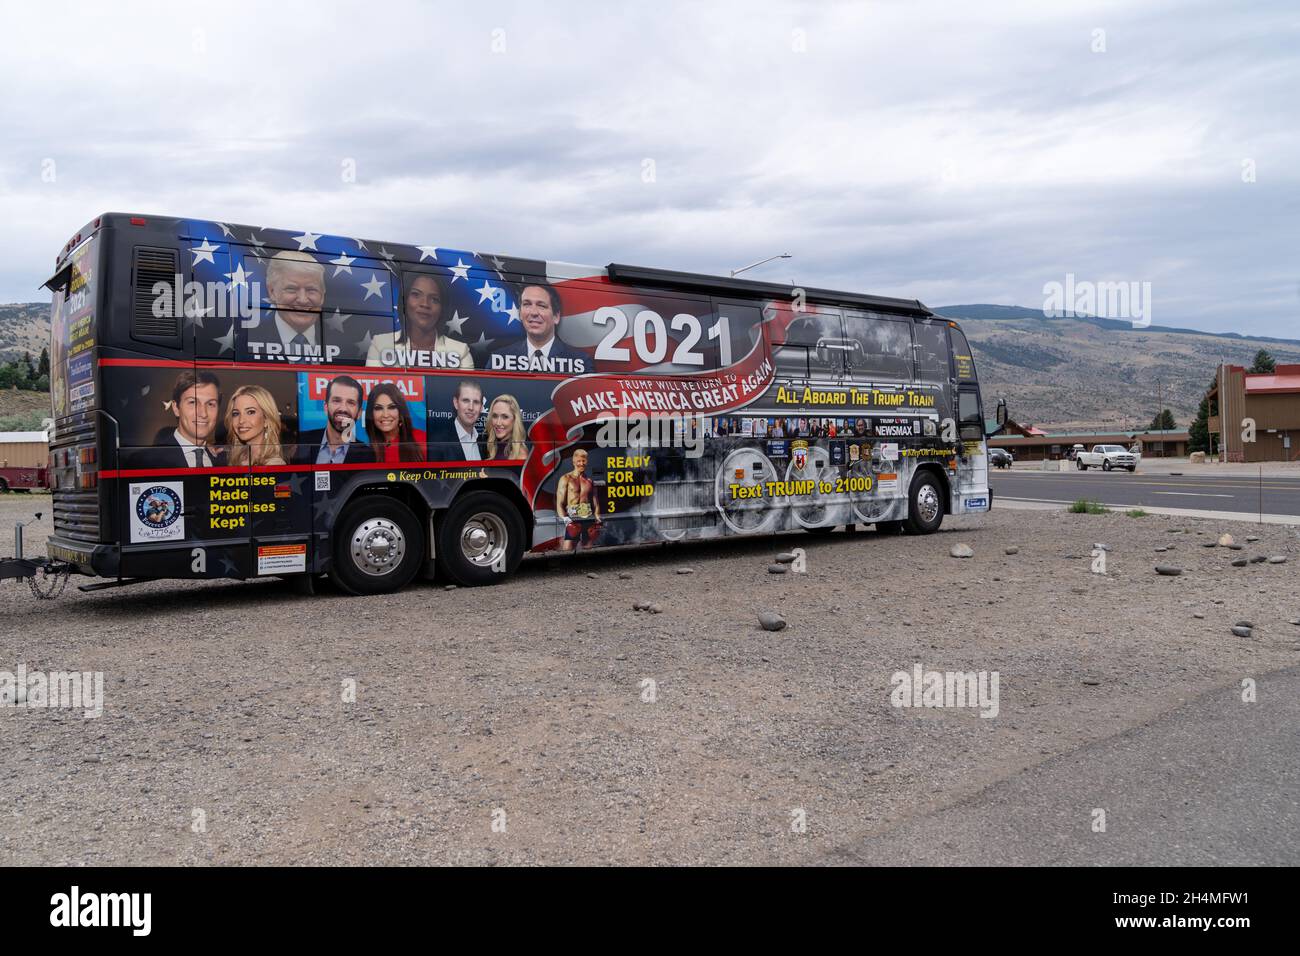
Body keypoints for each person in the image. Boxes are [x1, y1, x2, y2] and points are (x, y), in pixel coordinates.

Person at [366, 270, 472, 369]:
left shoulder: (460, 351)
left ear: (442, 309)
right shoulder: (380, 344)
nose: (425, 304)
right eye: (416, 295)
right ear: (404, 301)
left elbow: (468, 388)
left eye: (434, 299)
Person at [129, 370, 226, 468]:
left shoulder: (225, 461)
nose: (203, 413)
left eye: (210, 404)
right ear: (176, 408)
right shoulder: (144, 461)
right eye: (192, 402)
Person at [245, 251, 328, 362]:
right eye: (291, 289)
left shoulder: (346, 342)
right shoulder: (247, 340)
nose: (302, 300)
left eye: (311, 290)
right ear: (272, 292)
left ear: (322, 295)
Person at [490, 282, 587, 374]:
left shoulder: (581, 361)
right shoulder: (499, 358)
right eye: (527, 304)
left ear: (556, 317)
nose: (533, 313)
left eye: (541, 306)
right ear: (520, 313)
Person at [292, 374, 376, 465]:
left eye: (351, 403)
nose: (343, 408)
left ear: (359, 413)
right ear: (326, 407)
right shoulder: (301, 441)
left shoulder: (367, 456)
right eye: (336, 401)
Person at [224, 384, 287, 466]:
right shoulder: (236, 460)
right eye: (236, 413)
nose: (241, 420)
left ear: (266, 420)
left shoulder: (274, 465)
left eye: (250, 412)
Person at [364, 382, 425, 463]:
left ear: (400, 411)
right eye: (378, 408)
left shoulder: (421, 439)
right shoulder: (368, 449)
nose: (385, 415)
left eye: (392, 407)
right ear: (371, 413)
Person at [426, 379, 484, 461]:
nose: (471, 407)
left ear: (481, 408)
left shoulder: (484, 443)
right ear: (456, 403)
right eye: (465, 400)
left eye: (476, 402)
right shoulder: (438, 442)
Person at [556, 448, 601, 551]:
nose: (581, 463)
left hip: (588, 519)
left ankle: (588, 567)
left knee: (588, 548)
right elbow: (560, 503)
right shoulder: (566, 479)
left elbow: (596, 503)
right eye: (579, 461)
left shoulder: (589, 481)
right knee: (567, 548)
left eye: (583, 460)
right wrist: (566, 520)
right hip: (573, 519)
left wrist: (598, 518)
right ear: (573, 462)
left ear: (587, 461)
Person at [484, 394, 527, 460]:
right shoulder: (492, 448)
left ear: (515, 419)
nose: (498, 423)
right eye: (495, 416)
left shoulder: (520, 454)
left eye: (505, 417)